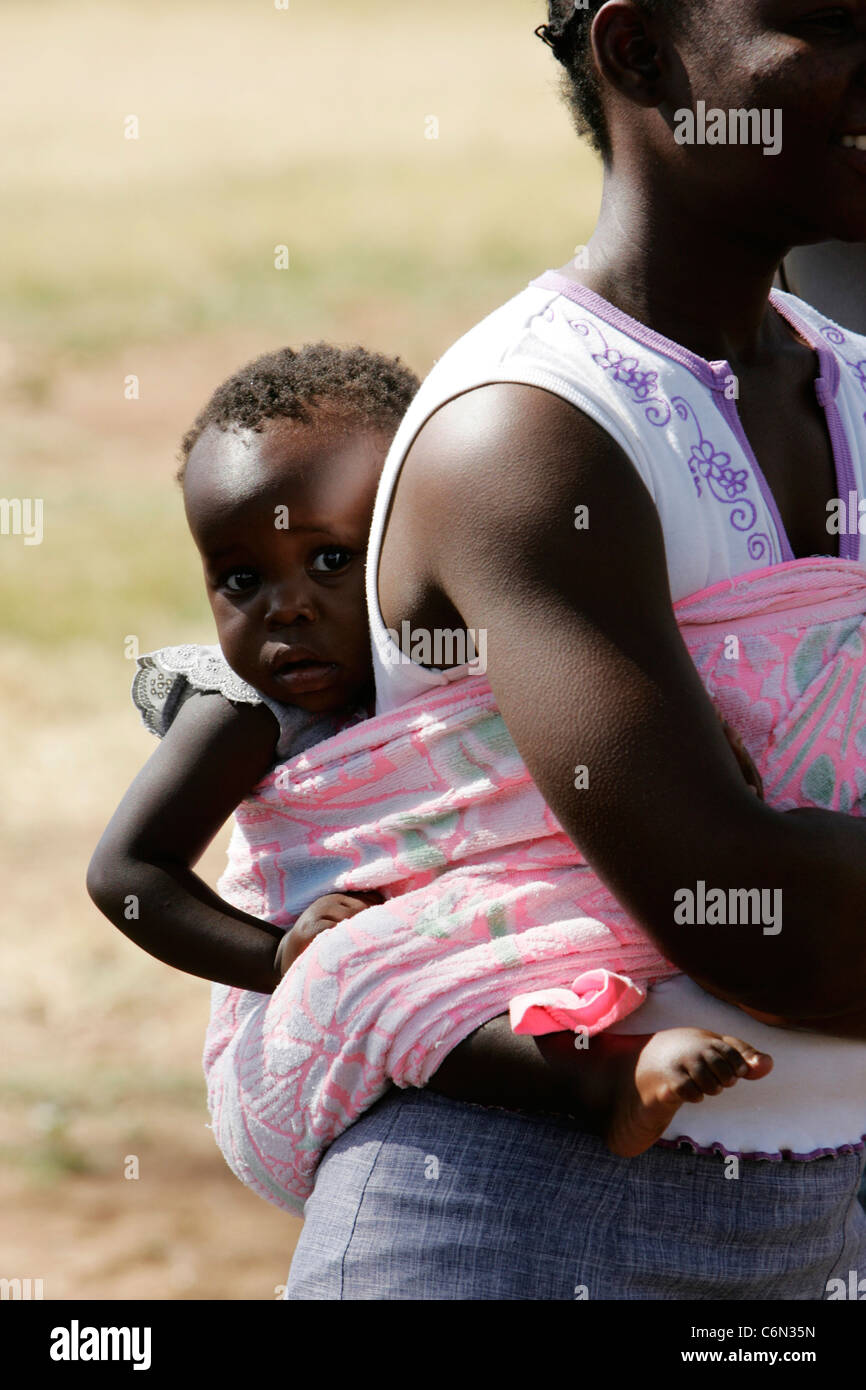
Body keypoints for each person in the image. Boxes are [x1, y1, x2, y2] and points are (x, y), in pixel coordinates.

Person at [282, 0, 866, 1299]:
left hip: (818, 1222)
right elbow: (753, 919)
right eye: (826, 20)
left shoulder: (852, 387)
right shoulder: (529, 434)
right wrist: (772, 865)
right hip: (511, 1226)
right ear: (638, 55)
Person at [86, 340, 772, 1171]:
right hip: (334, 997)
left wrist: (685, 751)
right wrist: (281, 957)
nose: (287, 608)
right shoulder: (242, 712)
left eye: (330, 561)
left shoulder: (476, 647)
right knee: (379, 984)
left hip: (488, 931)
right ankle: (599, 1082)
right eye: (239, 580)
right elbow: (128, 875)